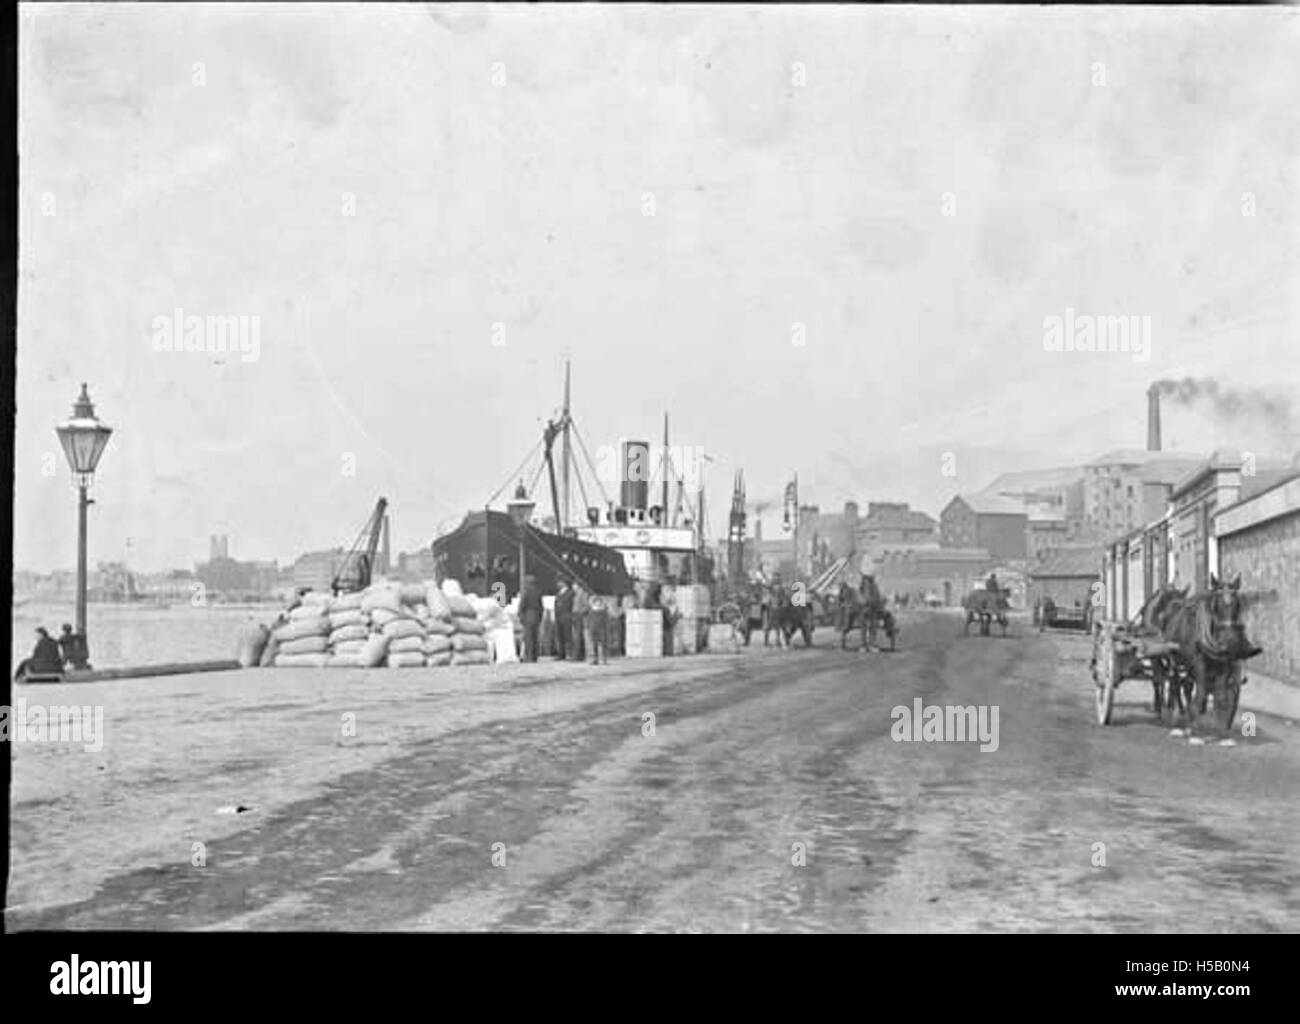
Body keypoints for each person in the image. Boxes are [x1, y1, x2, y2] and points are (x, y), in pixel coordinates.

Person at [518, 574, 543, 662]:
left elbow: (522, 605)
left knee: (528, 639)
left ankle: (529, 657)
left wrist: (520, 616)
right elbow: (541, 607)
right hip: (536, 616)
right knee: (535, 638)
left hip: (528, 616)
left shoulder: (526, 592)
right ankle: (534, 656)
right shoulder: (538, 592)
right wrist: (540, 617)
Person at [553, 578, 573, 661]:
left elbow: (570, 605)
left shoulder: (570, 593)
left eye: (559, 582)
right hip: (559, 617)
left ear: (564, 583)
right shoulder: (559, 593)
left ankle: (569, 653)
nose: (558, 584)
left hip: (567, 616)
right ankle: (561, 654)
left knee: (567, 636)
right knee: (560, 636)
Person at [588, 593, 610, 665]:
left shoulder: (603, 611)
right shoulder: (592, 610)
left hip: (602, 629)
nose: (598, 603)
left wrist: (606, 628)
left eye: (599, 601)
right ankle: (595, 659)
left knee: (603, 644)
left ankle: (604, 659)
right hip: (593, 629)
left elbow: (606, 620)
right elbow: (589, 620)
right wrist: (589, 627)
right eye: (596, 601)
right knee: (594, 644)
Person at [571, 582, 590, 661]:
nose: (573, 587)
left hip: (579, 616)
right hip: (575, 615)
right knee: (577, 636)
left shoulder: (583, 594)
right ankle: (579, 654)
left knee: (578, 636)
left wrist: (580, 614)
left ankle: (577, 655)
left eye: (574, 585)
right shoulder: (576, 594)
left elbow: (587, 606)